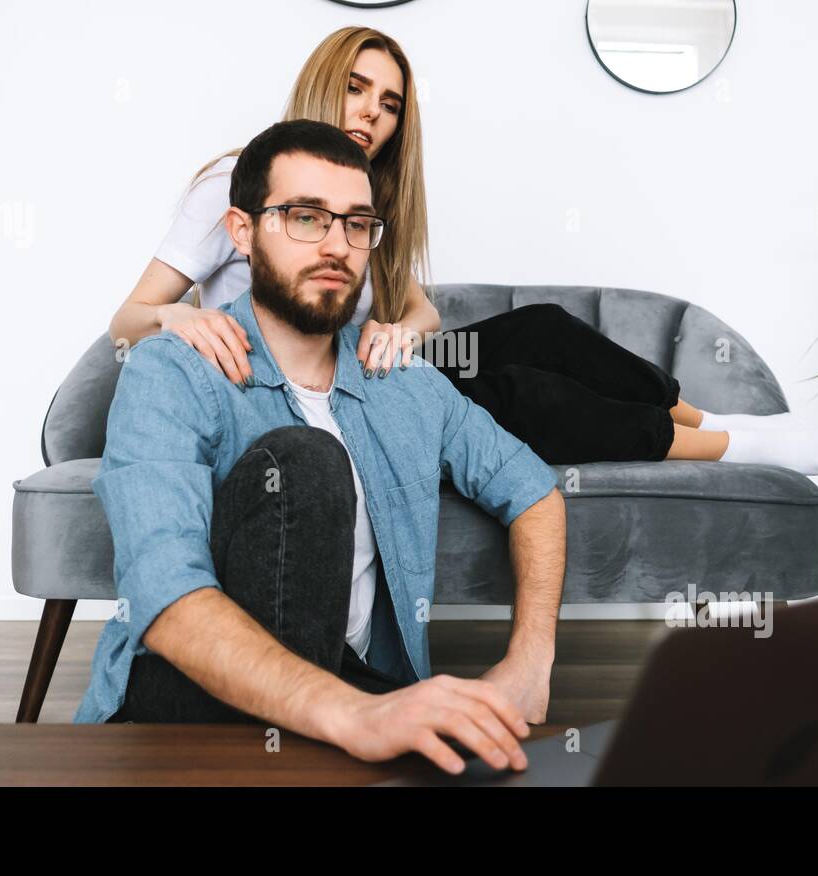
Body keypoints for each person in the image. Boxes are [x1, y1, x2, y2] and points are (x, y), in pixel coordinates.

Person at [108, 25, 818, 476]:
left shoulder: (373, 208)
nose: (371, 112)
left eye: (390, 102)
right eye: (357, 89)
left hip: (376, 370)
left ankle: (717, 419)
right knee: (526, 394)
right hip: (302, 395)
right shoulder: (235, 183)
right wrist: (179, 321)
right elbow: (127, 318)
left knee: (542, 329)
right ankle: (738, 450)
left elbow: (419, 308)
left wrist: (405, 330)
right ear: (321, 87)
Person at [75, 119, 566, 778]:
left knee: (497, 763)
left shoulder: (405, 381)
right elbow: (163, 593)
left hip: (354, 695)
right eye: (305, 217)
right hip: (186, 707)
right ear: (242, 231)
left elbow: (532, 487)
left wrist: (529, 660)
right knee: (305, 462)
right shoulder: (172, 371)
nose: (337, 244)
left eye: (357, 224)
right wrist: (357, 715)